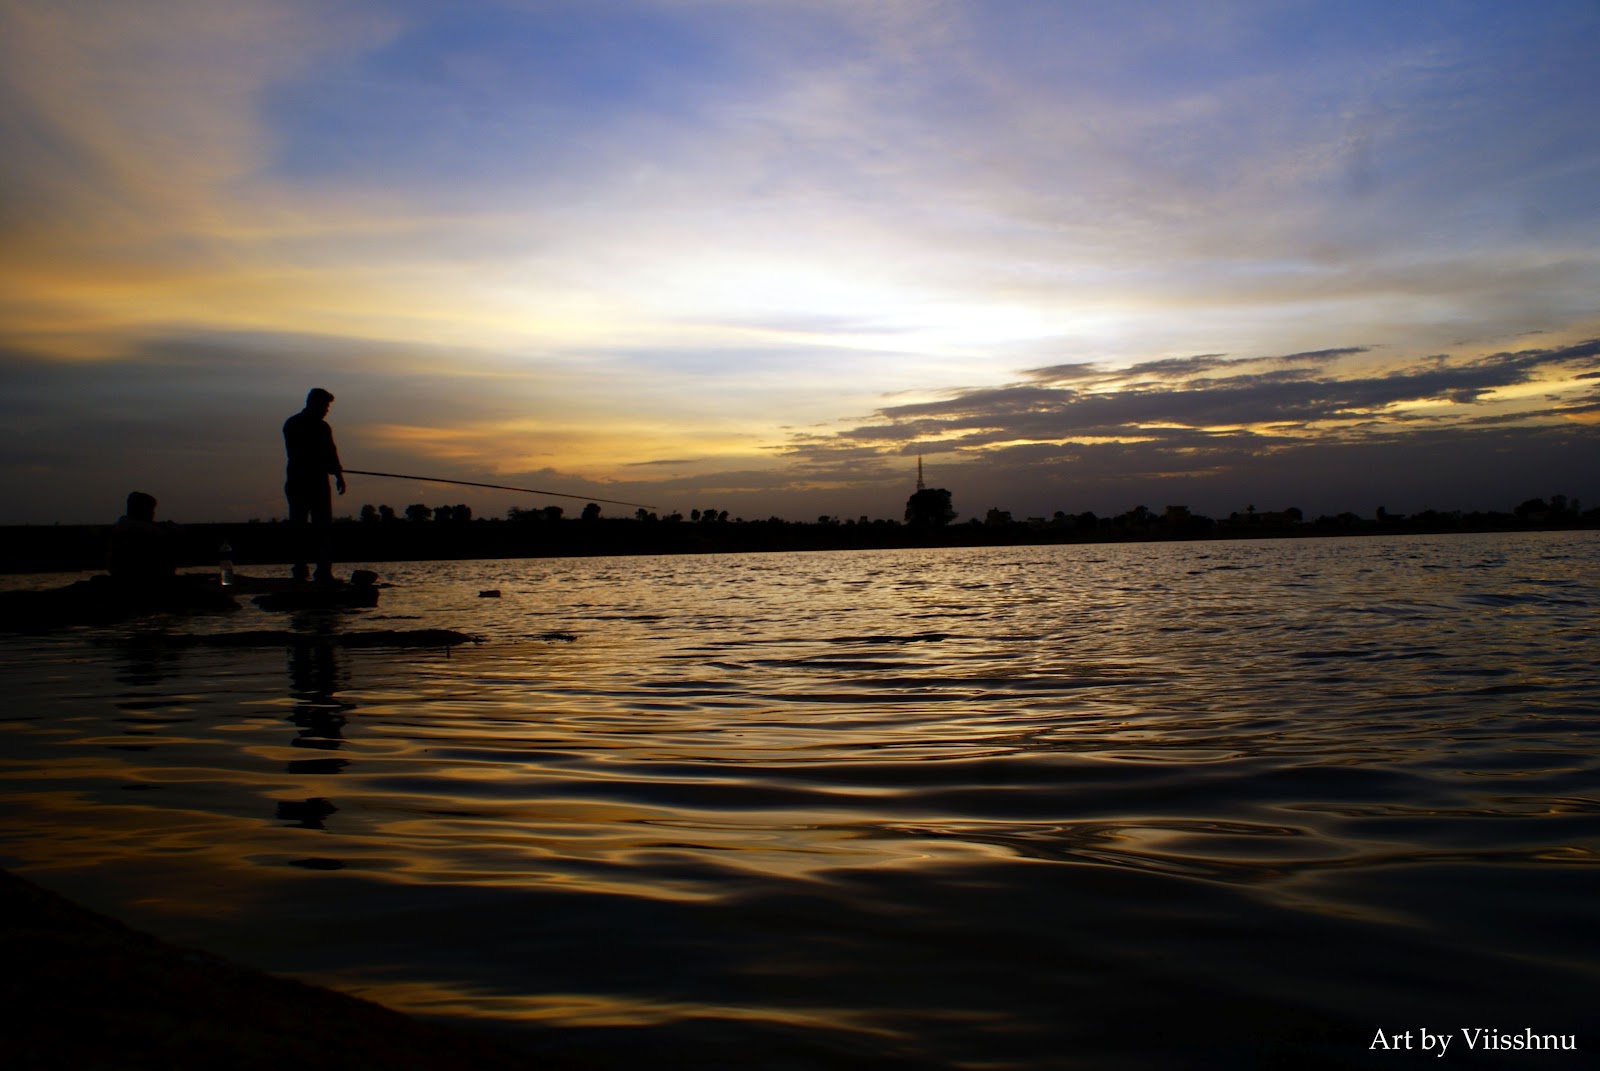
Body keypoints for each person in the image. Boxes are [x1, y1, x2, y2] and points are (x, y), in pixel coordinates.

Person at [283, 387, 346, 582]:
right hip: (300, 482)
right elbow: (298, 452)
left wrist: (338, 474)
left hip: (318, 483)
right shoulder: (294, 424)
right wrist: (328, 466)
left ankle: (323, 570)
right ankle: (301, 569)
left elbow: (331, 453)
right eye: (325, 406)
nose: (327, 410)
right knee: (300, 526)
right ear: (314, 403)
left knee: (323, 527)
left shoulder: (323, 427)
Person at [107, 491, 180, 587]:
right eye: (151, 510)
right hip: (141, 580)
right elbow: (168, 537)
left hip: (125, 577)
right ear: (142, 510)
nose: (153, 513)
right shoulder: (140, 528)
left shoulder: (123, 525)